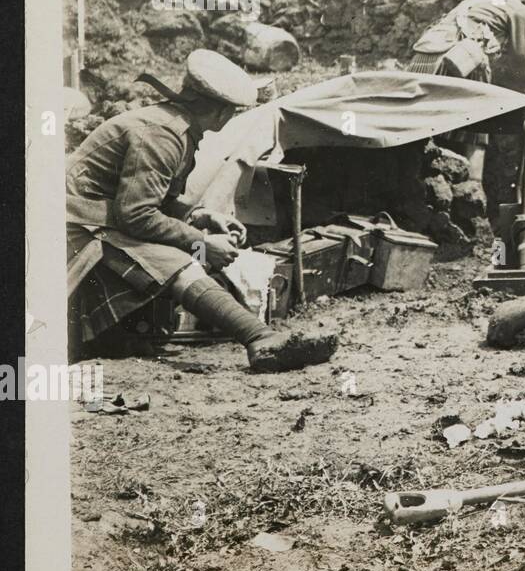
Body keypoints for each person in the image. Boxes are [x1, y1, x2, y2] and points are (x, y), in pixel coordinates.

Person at [66, 49, 336, 373]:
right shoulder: (162, 135)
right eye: (234, 112)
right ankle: (260, 340)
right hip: (77, 226)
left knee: (182, 256)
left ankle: (259, 338)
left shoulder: (175, 126)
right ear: (221, 113)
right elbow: (135, 214)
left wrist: (201, 217)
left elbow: (153, 202)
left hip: (100, 217)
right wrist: (201, 243)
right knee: (178, 263)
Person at [408, 0, 525, 180]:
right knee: (477, 133)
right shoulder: (520, 10)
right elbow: (521, 65)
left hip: (423, 60)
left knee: (419, 133)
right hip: (460, 61)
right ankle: (474, 193)